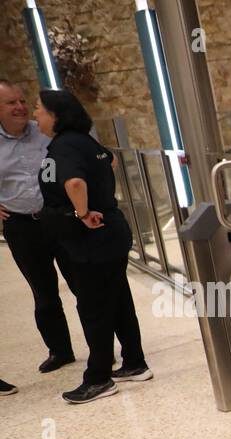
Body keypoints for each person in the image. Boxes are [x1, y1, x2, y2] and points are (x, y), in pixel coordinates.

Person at [32, 89, 150, 405]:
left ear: (56, 115)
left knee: (94, 307)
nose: (35, 115)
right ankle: (134, 361)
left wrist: (83, 212)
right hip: (111, 231)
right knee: (118, 298)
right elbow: (108, 161)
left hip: (93, 237)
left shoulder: (64, 145)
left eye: (39, 109)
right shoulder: (86, 141)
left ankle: (98, 378)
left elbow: (73, 182)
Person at [0, 79, 77, 373]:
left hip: (59, 218)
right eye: (11, 103)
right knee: (43, 292)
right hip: (22, 227)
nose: (20, 107)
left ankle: (102, 346)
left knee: (81, 282)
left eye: (22, 101)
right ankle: (60, 351)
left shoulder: (46, 132)